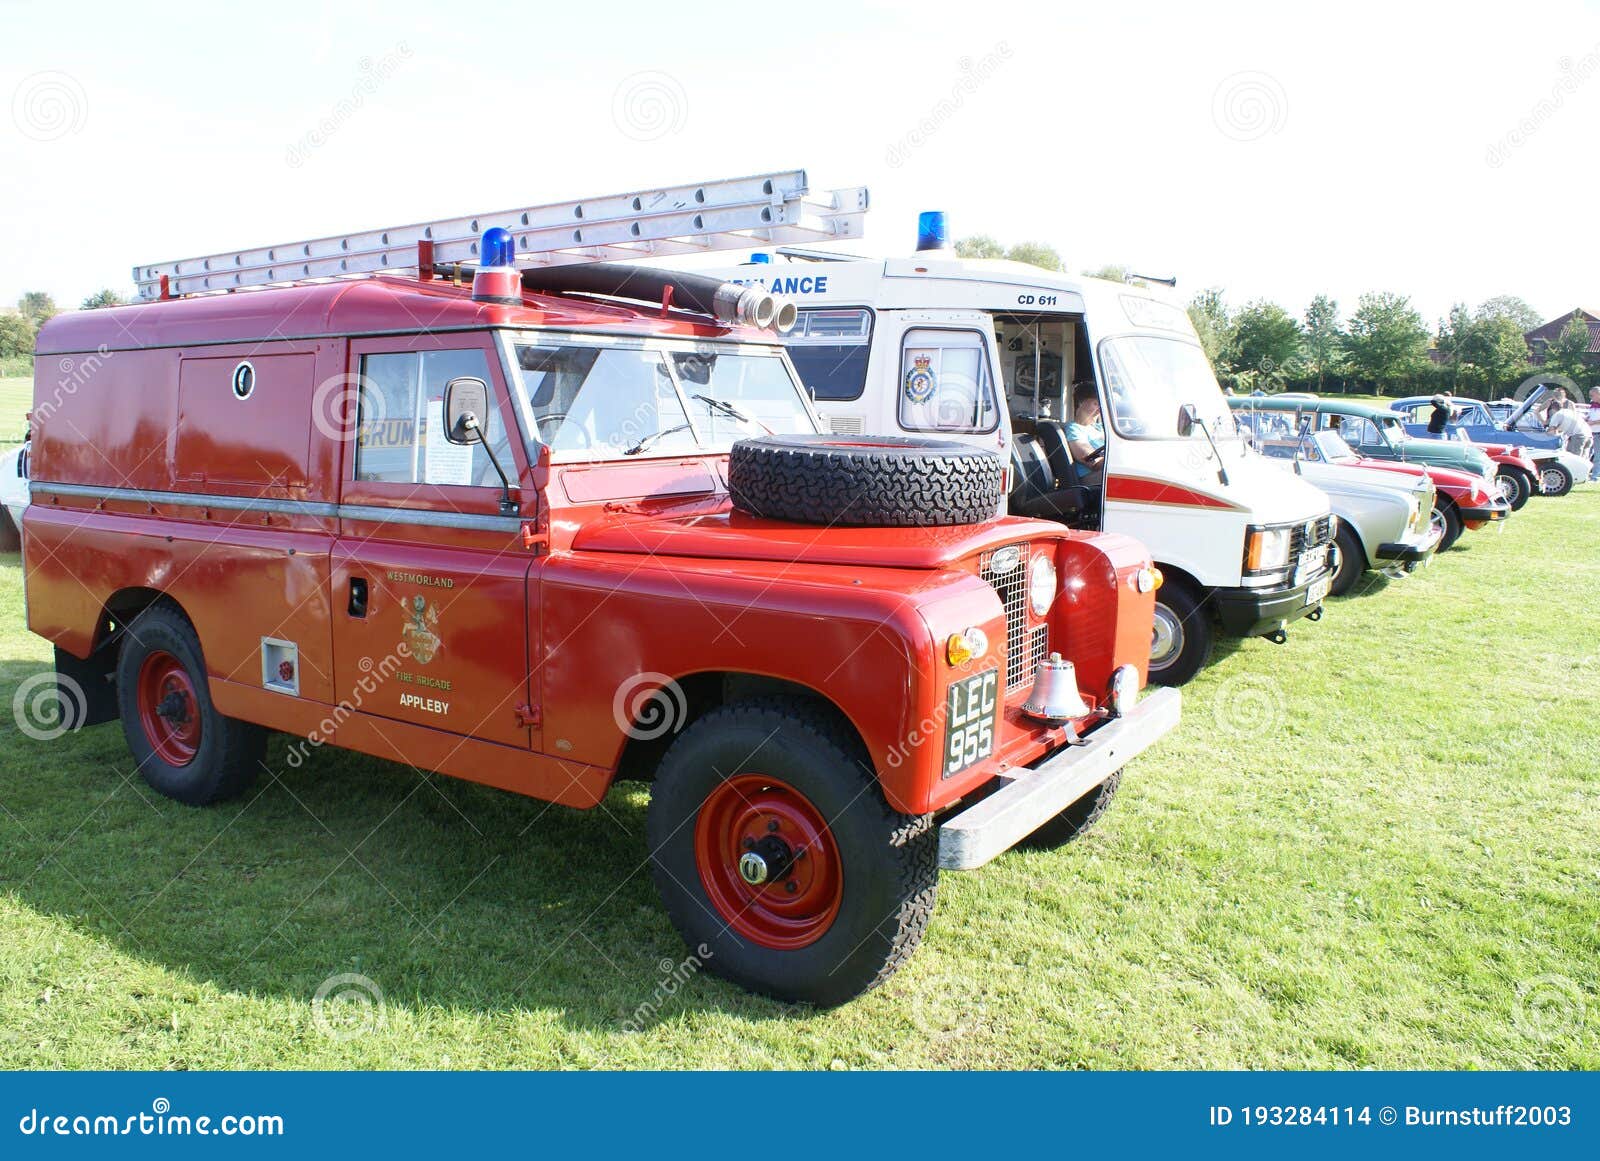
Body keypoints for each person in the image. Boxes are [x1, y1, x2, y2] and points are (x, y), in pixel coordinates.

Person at [1066, 384, 1106, 485]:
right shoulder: (1074, 428)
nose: (1099, 410)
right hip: (1090, 477)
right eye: (1096, 404)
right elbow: (1092, 461)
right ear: (1080, 402)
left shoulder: (1100, 427)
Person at [1587, 387, 1600, 480]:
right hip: (1591, 432)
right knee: (1588, 454)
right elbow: (1590, 415)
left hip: (1598, 433)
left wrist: (1593, 422)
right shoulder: (1593, 405)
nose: (1590, 397)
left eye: (1592, 395)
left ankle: (1595, 476)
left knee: (1597, 455)